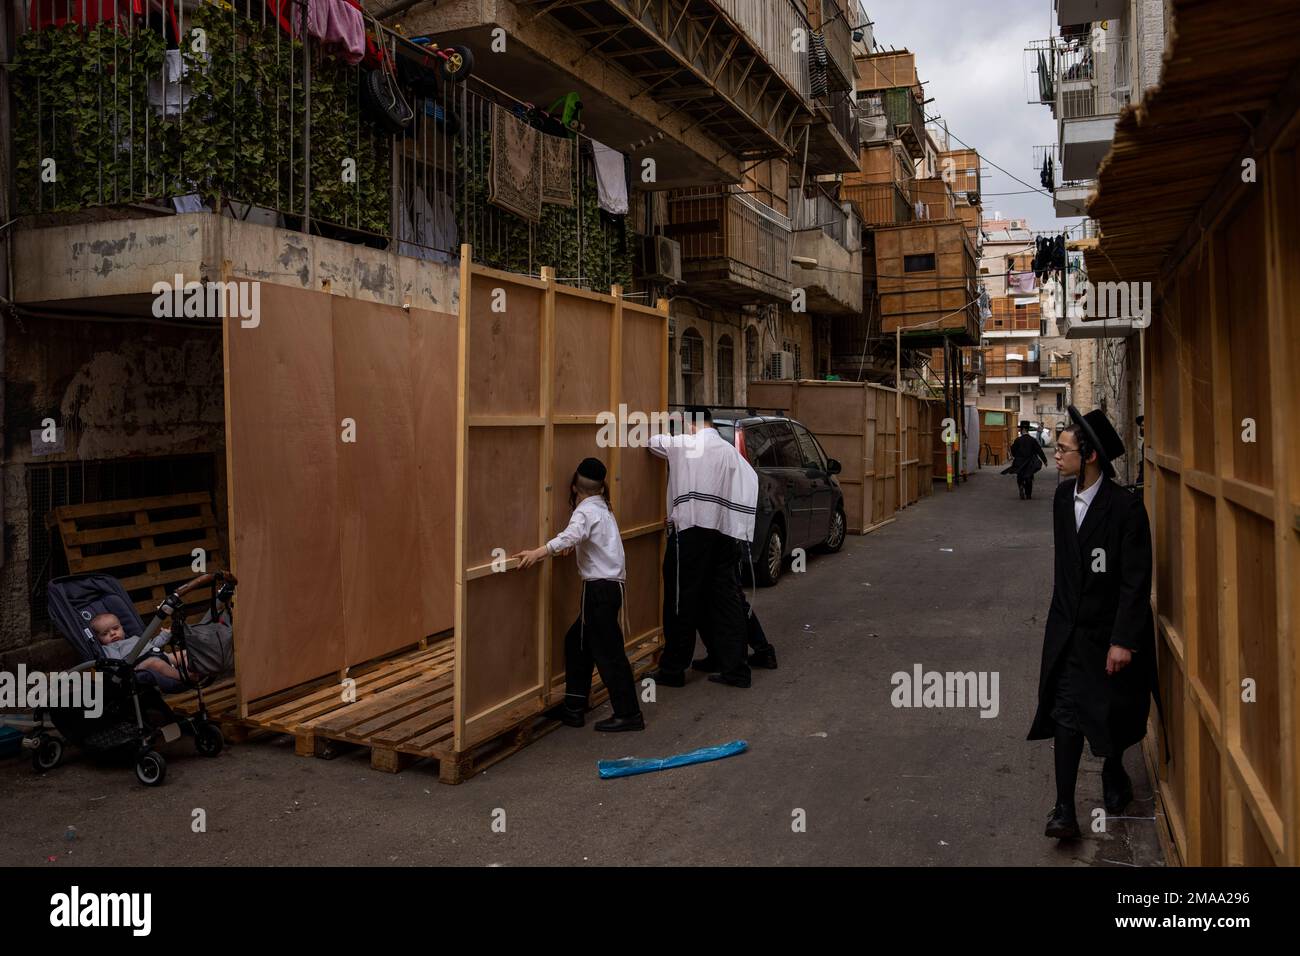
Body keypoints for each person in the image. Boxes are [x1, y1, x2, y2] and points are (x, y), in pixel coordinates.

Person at [1027, 405, 1157, 840]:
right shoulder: (1063, 499)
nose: (1056, 456)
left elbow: (1135, 582)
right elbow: (1068, 567)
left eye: (1064, 450)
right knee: (1066, 714)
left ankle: (1115, 768)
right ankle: (1064, 809)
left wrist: (1123, 639)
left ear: (1091, 456)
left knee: (1111, 715)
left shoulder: (1126, 509)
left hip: (1107, 637)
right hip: (1068, 633)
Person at [514, 457, 644, 732]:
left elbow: (569, 535)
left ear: (574, 487)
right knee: (577, 643)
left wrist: (537, 553)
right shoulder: (602, 509)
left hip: (599, 591)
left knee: (609, 654)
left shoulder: (585, 512)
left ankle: (629, 713)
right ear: (600, 486)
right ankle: (574, 706)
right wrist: (577, 546)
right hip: (607, 589)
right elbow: (586, 539)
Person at [647, 405, 758, 689]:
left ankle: (673, 669)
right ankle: (735, 668)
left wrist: (667, 422)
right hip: (723, 534)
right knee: (724, 602)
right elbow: (749, 480)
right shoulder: (727, 450)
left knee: (679, 600)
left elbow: (652, 443)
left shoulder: (685, 444)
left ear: (690, 423)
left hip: (692, 533)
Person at [91, 612, 190, 689]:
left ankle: (190, 671)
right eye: (105, 634)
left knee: (187, 653)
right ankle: (184, 677)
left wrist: (165, 634)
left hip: (158, 655)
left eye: (115, 628)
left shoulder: (134, 638)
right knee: (155, 663)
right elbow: (115, 663)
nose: (112, 633)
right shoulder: (108, 648)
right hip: (139, 665)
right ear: (98, 638)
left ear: (122, 628)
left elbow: (152, 645)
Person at [1003, 420, 1048, 499]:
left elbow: (1013, 451)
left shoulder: (1017, 440)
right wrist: (1045, 461)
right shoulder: (1033, 440)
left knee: (1020, 476)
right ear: (1027, 429)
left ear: (1023, 429)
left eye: (1020, 429)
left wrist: (1016, 456)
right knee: (1029, 477)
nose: (1020, 430)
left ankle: (1021, 486)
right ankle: (1028, 494)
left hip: (1019, 463)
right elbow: (1039, 450)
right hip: (1030, 463)